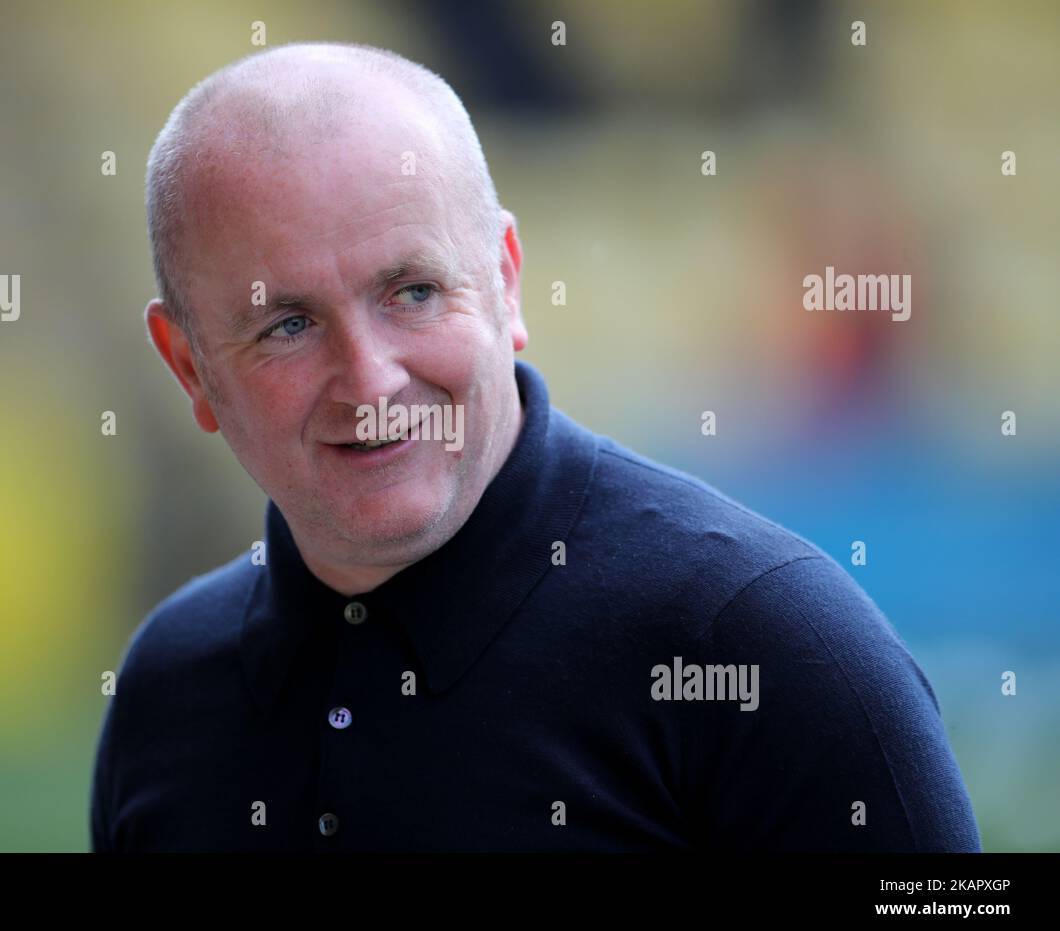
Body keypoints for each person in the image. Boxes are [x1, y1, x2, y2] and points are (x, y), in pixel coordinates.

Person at [90, 40, 980, 852]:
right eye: (288, 324)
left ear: (506, 281)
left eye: (412, 292)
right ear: (190, 368)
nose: (369, 381)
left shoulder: (767, 647)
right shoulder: (169, 692)